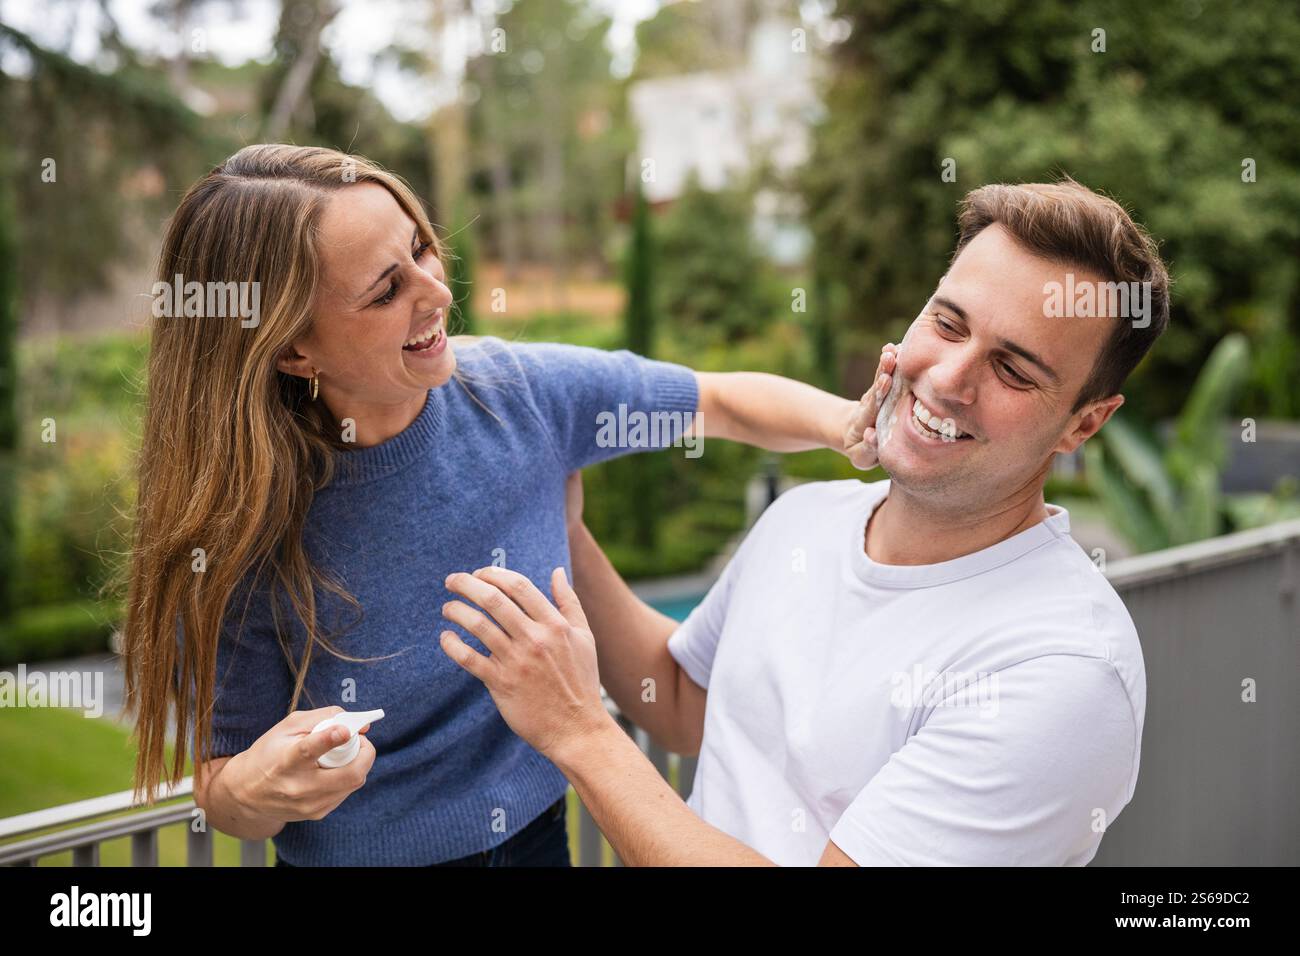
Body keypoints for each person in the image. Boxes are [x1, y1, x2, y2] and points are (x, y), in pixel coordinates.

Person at [120, 144, 870, 866]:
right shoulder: (245, 525)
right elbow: (222, 791)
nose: (437, 292)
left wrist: (853, 426)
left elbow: (719, 401)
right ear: (292, 351)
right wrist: (261, 785)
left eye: (420, 249)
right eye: (387, 289)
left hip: (542, 845)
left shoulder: (517, 395)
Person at [442, 179, 1168, 866]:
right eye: (947, 323)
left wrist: (579, 733)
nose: (947, 378)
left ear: (1085, 423)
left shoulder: (1060, 671)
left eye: (1013, 370)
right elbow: (684, 703)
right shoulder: (807, 520)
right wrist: (564, 527)